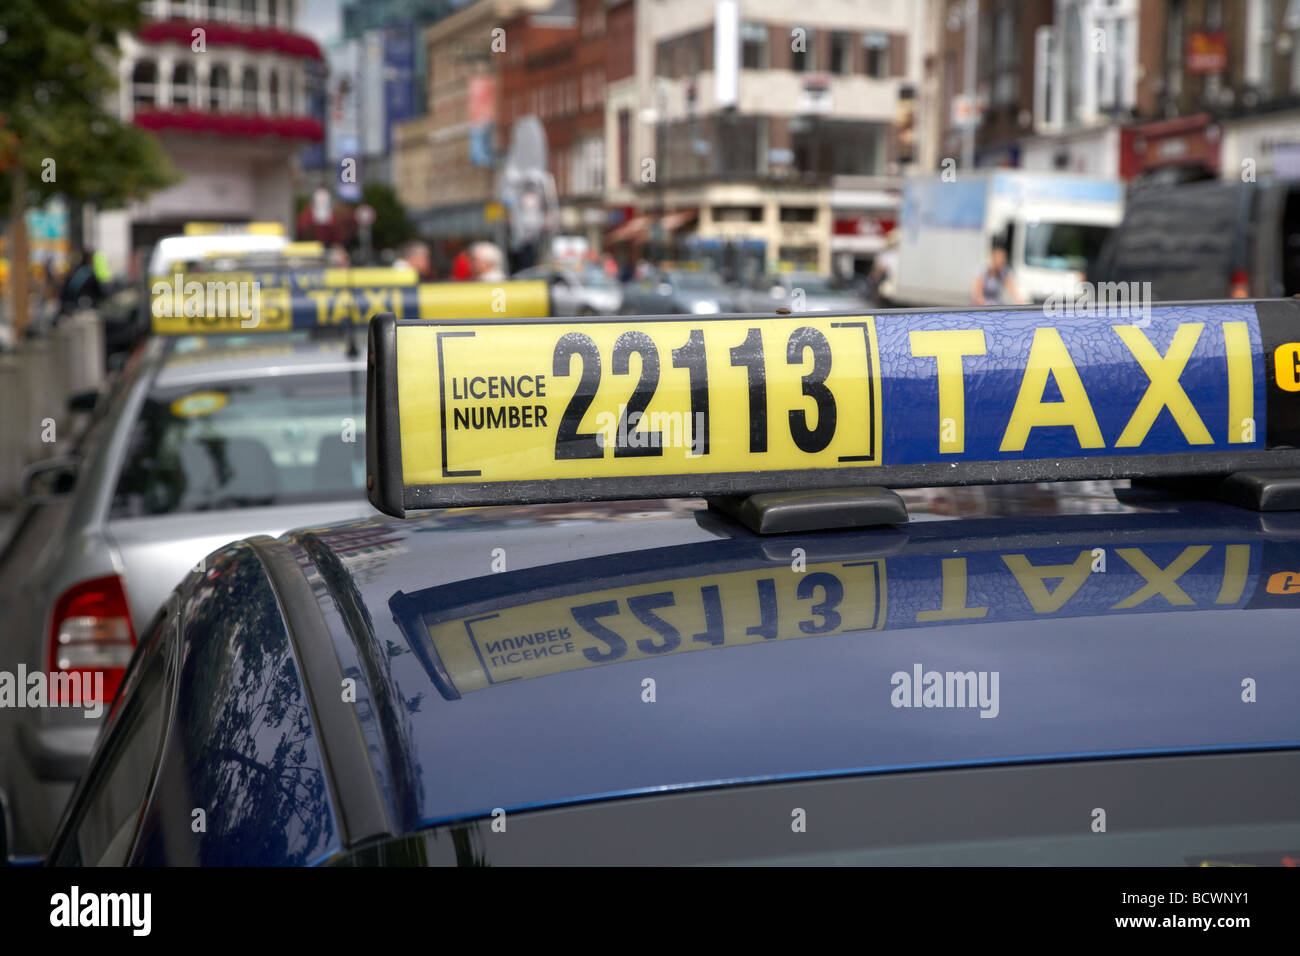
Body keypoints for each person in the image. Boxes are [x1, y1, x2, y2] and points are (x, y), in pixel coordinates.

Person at [971, 241, 1024, 306]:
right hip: (982, 306)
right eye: (1001, 258)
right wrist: (985, 305)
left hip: (996, 305)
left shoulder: (1004, 272)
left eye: (1004, 258)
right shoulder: (982, 271)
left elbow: (1013, 291)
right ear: (994, 258)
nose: (1003, 261)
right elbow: (977, 294)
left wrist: (1021, 303)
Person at [61, 249, 104, 313]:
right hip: (87, 309)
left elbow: (65, 293)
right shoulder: (90, 275)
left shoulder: (73, 273)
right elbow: (99, 293)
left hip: (72, 307)